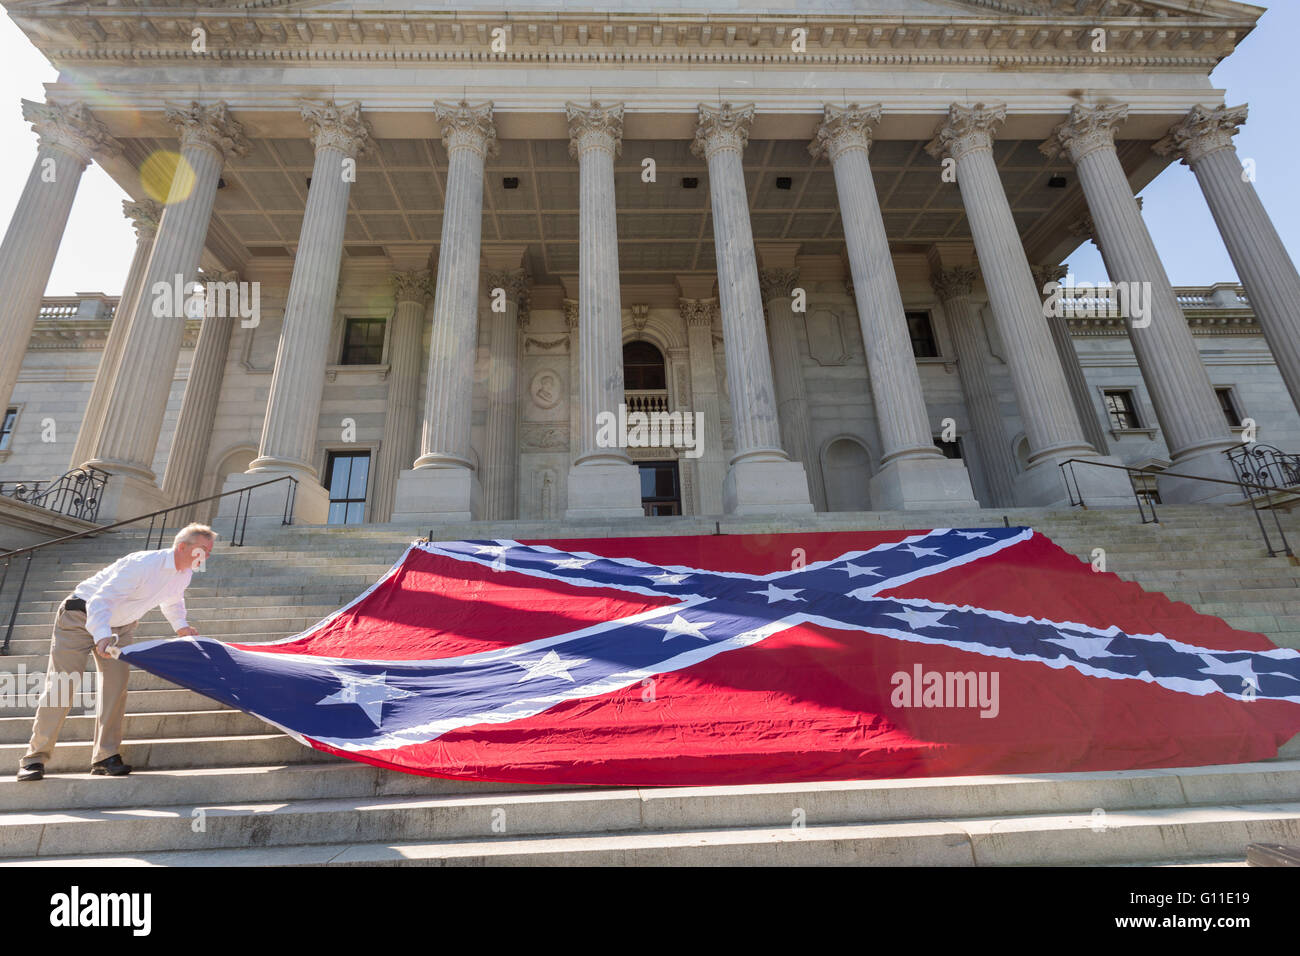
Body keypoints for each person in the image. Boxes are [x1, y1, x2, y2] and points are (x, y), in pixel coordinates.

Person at [15, 523, 216, 781]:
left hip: (120, 627)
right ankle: (34, 758)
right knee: (62, 686)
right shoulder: (143, 564)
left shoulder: (184, 572)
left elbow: (173, 600)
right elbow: (100, 600)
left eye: (209, 552)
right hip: (79, 616)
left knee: (116, 687)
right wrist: (101, 636)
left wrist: (181, 627)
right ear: (182, 547)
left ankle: (105, 756)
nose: (206, 557)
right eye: (203, 550)